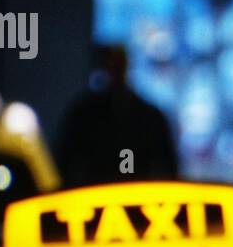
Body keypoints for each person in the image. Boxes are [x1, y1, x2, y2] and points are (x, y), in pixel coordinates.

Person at [55, 44, 179, 187]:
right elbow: (65, 162)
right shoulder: (83, 114)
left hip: (134, 197)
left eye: (118, 65)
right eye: (111, 65)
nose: (115, 70)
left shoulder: (150, 116)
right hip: (95, 197)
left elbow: (168, 167)